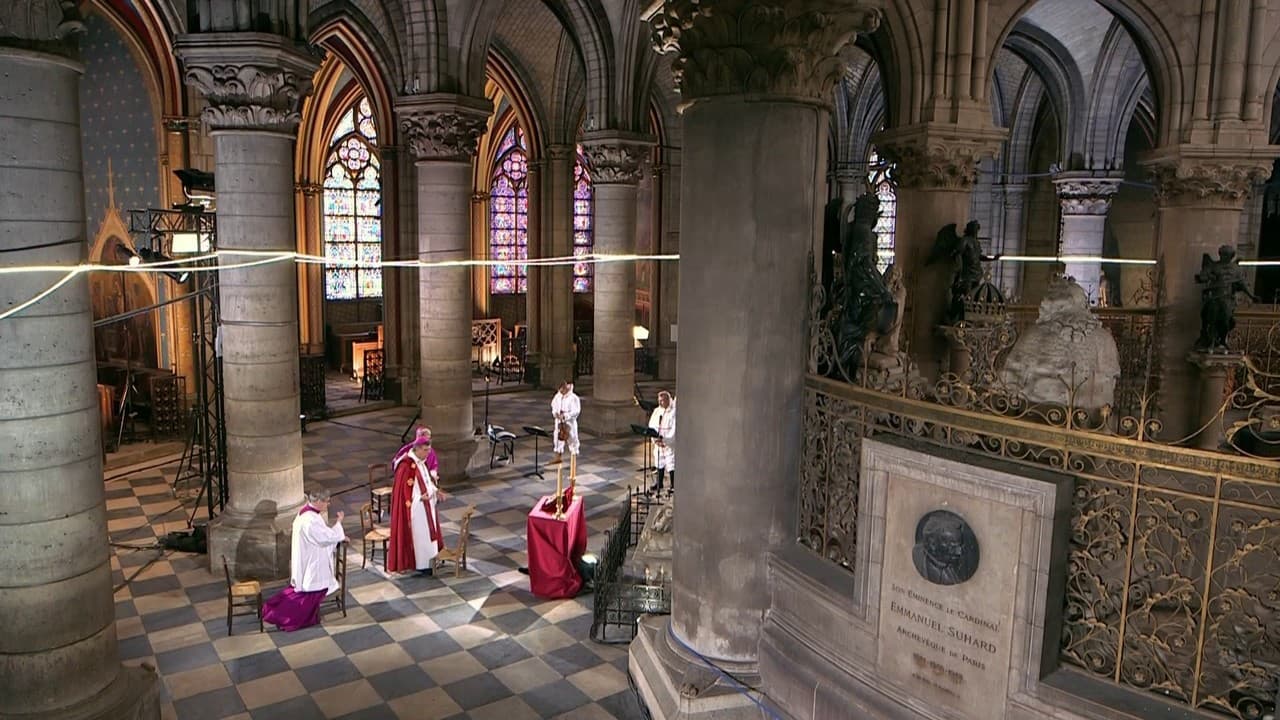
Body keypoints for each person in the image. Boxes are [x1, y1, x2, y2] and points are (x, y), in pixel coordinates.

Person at [261, 489, 348, 631]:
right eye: (327, 501)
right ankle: (280, 615)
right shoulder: (310, 520)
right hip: (312, 564)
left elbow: (324, 535)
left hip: (309, 556)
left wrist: (339, 536)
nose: (328, 504)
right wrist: (339, 523)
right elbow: (326, 537)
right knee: (308, 595)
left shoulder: (307, 513)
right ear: (318, 501)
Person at [388, 427, 449, 575]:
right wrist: (417, 498)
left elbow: (427, 482)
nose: (429, 454)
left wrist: (436, 491)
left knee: (430, 535)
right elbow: (403, 494)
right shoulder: (406, 466)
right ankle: (422, 565)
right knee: (421, 537)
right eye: (426, 451)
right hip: (417, 509)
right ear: (418, 449)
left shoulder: (421, 463)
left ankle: (432, 561)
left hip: (427, 506)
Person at [648, 390, 675, 492]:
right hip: (658, 442)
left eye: (662, 401)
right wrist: (655, 439)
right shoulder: (657, 411)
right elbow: (651, 425)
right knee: (659, 461)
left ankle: (673, 485)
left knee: (671, 462)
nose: (660, 403)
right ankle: (659, 483)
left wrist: (666, 440)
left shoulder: (673, 412)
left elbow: (674, 428)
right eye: (659, 400)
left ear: (668, 400)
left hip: (668, 443)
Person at [552, 381, 580, 463]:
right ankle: (558, 457)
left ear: (567, 387)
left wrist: (566, 416)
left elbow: (576, 411)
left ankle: (573, 461)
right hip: (559, 422)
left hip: (569, 423)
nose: (561, 391)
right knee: (558, 438)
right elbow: (553, 405)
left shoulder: (574, 398)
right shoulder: (558, 396)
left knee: (572, 439)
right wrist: (555, 413)